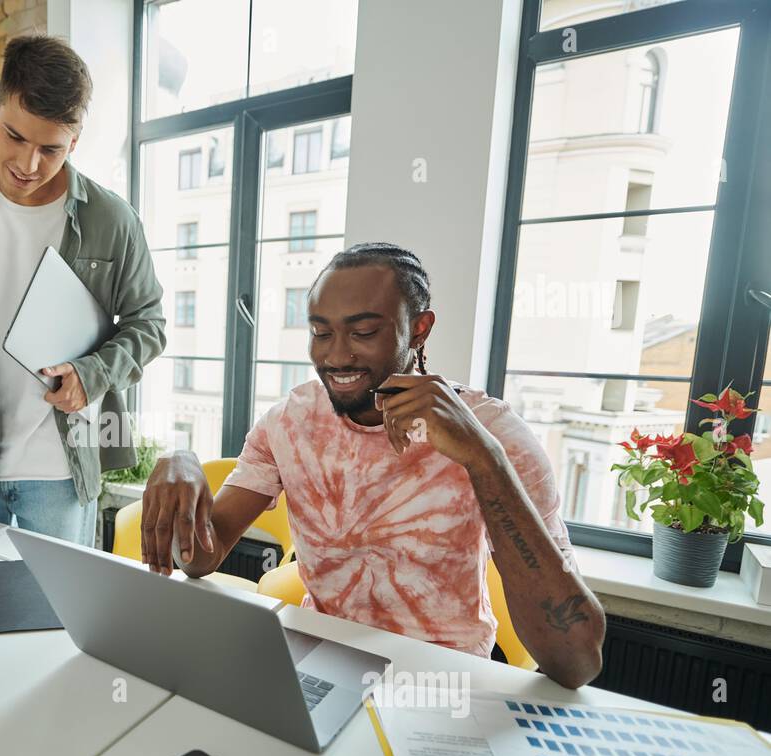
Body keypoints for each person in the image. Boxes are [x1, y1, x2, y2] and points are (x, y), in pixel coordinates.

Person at [140, 242, 605, 689]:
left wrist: (483, 460)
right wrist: (182, 463)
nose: (336, 356)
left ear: (419, 329)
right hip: (320, 669)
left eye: (363, 333)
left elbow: (576, 662)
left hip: (442, 685)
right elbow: (200, 559)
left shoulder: (494, 433)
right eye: (321, 332)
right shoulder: (289, 422)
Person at [0, 34, 165, 546]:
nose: (27, 163)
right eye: (14, 136)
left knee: (62, 618)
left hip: (64, 471)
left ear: (76, 138)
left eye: (50, 148)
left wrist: (91, 375)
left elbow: (148, 325)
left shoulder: (113, 220)